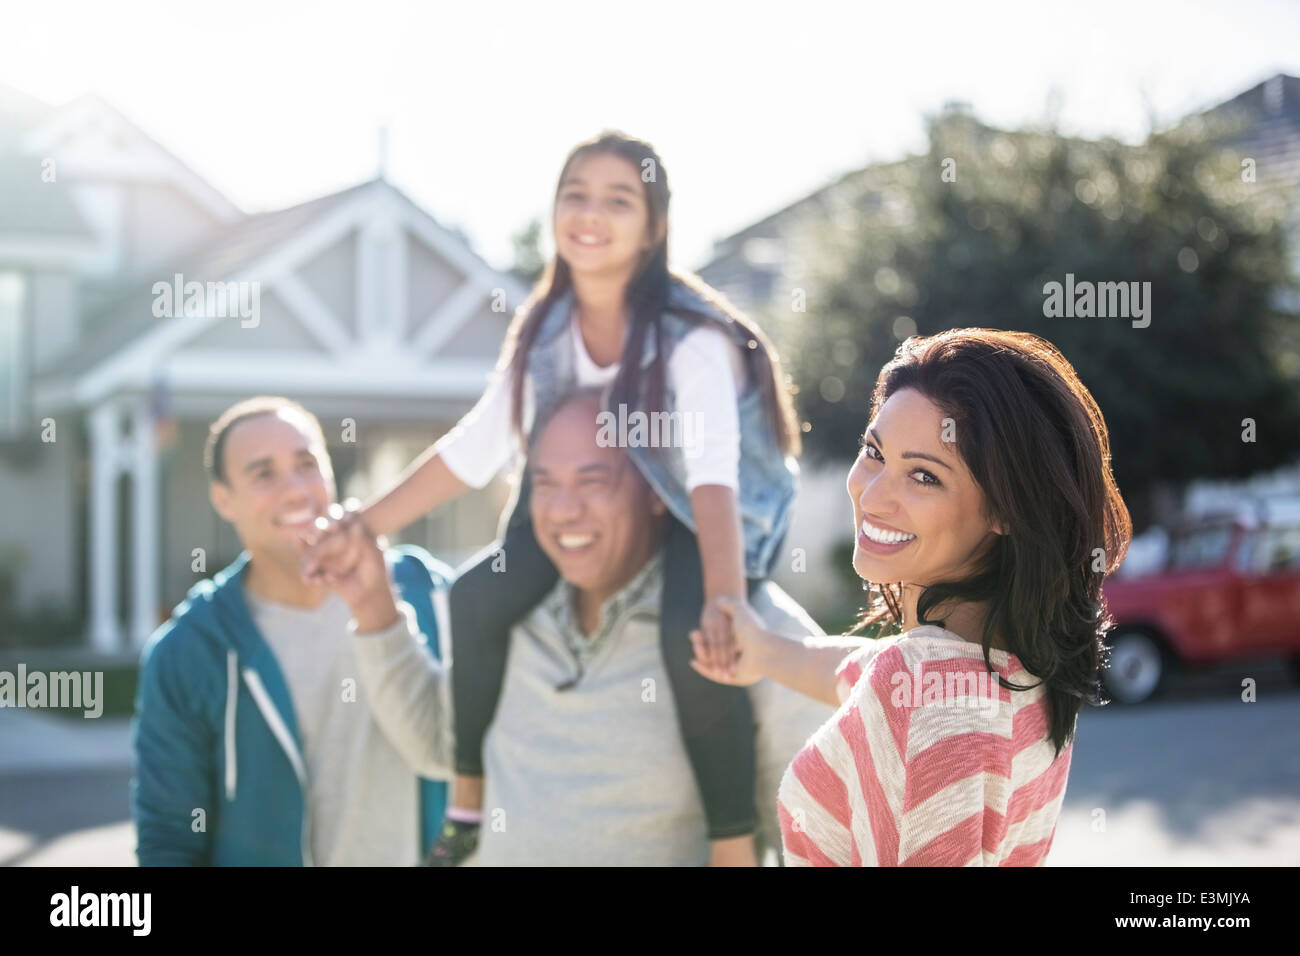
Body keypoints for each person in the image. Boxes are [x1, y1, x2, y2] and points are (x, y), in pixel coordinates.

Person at [302, 131, 802, 866]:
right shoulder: (546, 330)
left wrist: (725, 602)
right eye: (576, 194)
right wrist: (362, 525)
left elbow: (713, 479)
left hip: (708, 515)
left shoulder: (691, 338)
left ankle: (731, 843)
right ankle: (467, 804)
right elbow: (476, 448)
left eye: (618, 200)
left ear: (653, 227)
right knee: (475, 598)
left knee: (694, 641)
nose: (590, 213)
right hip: (598, 500)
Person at [322, 389, 831, 865]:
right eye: (545, 483)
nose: (564, 511)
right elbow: (440, 747)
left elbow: (829, 830)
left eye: (593, 481)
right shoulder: (503, 613)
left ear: (660, 491)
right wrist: (373, 607)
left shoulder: (749, 630)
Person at [691, 329, 1133, 866]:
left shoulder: (929, 693)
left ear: (1005, 510)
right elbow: (859, 670)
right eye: (874, 453)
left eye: (923, 476)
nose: (871, 494)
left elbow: (901, 690)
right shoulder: (1014, 669)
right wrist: (759, 650)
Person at [131, 397, 452, 865]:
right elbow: (170, 838)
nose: (296, 490)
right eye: (263, 474)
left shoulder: (431, 597)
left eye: (307, 465)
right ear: (224, 500)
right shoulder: (187, 652)